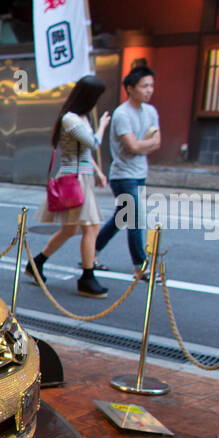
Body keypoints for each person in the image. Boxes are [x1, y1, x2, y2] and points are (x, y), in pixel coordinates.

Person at [25, 75, 110, 298]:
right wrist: (102, 126)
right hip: (74, 180)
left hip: (82, 177)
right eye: (97, 96)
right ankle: (87, 278)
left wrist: (99, 172)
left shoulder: (79, 117)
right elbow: (93, 143)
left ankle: (36, 264)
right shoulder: (70, 119)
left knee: (72, 229)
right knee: (91, 228)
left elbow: (85, 150)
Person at [95, 65, 161, 279]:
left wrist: (144, 144)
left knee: (121, 219)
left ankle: (90, 253)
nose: (149, 90)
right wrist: (146, 143)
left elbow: (157, 142)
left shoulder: (151, 111)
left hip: (140, 173)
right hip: (123, 175)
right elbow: (131, 147)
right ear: (130, 88)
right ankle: (140, 267)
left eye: (151, 85)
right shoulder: (122, 114)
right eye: (144, 86)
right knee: (135, 218)